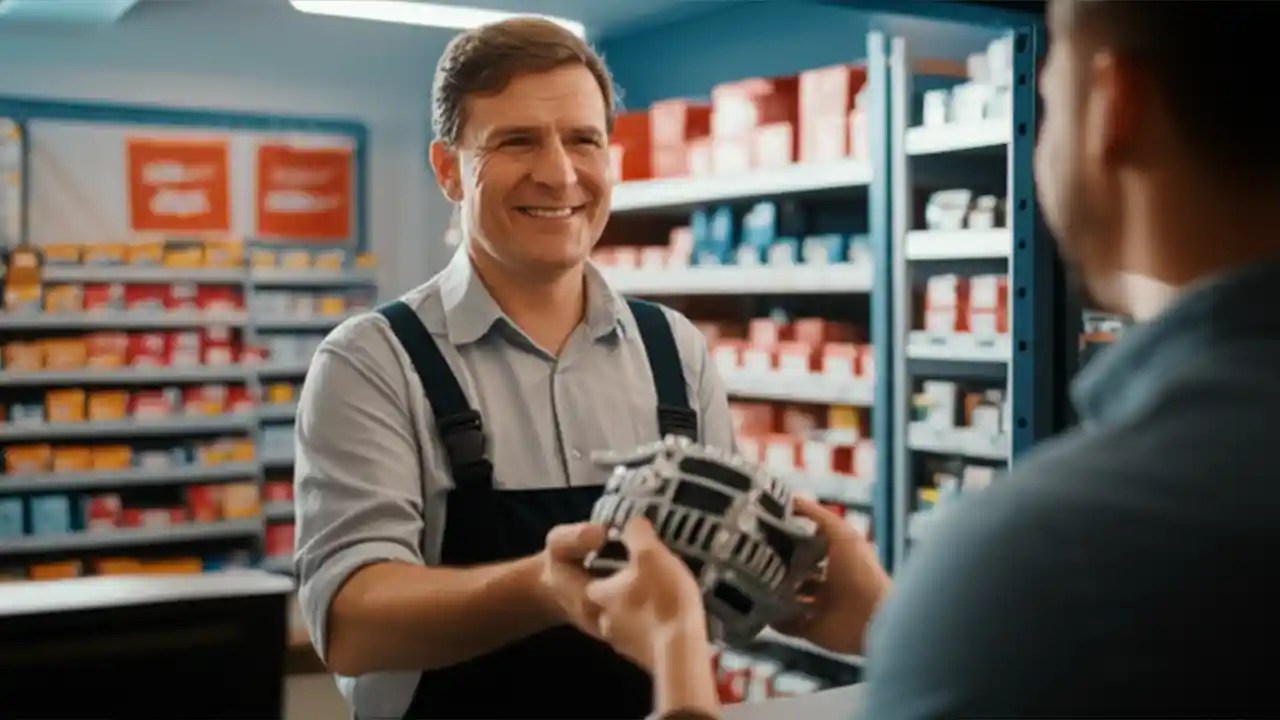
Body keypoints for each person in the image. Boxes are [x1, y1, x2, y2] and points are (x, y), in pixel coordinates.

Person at [566, 1, 1280, 718]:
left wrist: (674, 653)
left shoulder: (1051, 556)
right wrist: (894, 620)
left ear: (1111, 106)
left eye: (1049, 93)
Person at [291, 17, 735, 720]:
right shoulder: (372, 361)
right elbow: (351, 625)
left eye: (583, 140)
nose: (559, 173)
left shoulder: (674, 351)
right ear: (447, 170)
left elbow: (723, 598)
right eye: (517, 140)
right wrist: (542, 589)